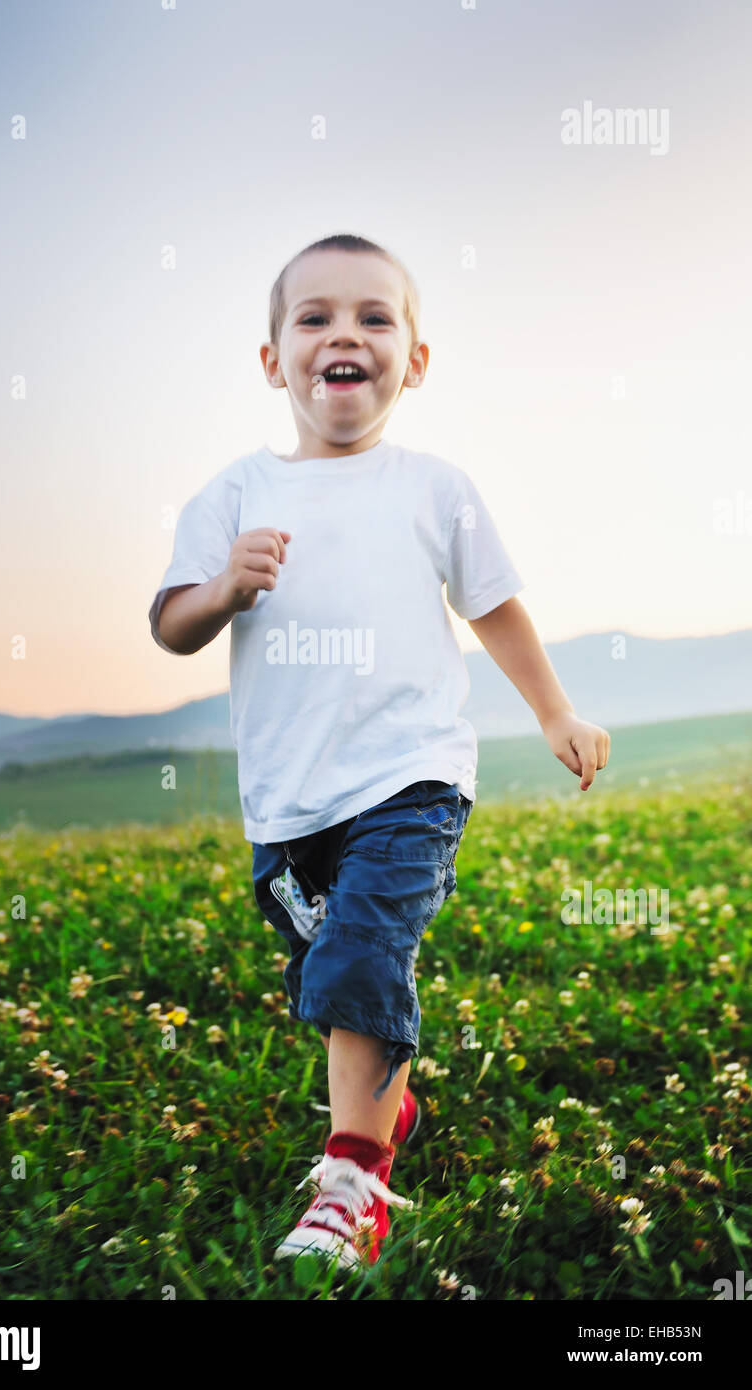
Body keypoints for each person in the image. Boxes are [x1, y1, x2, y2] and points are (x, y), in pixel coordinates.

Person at [148, 232, 611, 1272]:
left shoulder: (432, 486)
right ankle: (379, 1106)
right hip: (287, 806)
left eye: (372, 316)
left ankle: (351, 1183)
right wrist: (223, 588)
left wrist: (552, 713)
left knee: (362, 954)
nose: (341, 334)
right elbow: (172, 622)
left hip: (411, 779)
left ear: (415, 357)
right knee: (332, 978)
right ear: (273, 360)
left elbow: (492, 606)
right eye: (312, 318)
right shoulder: (233, 495)